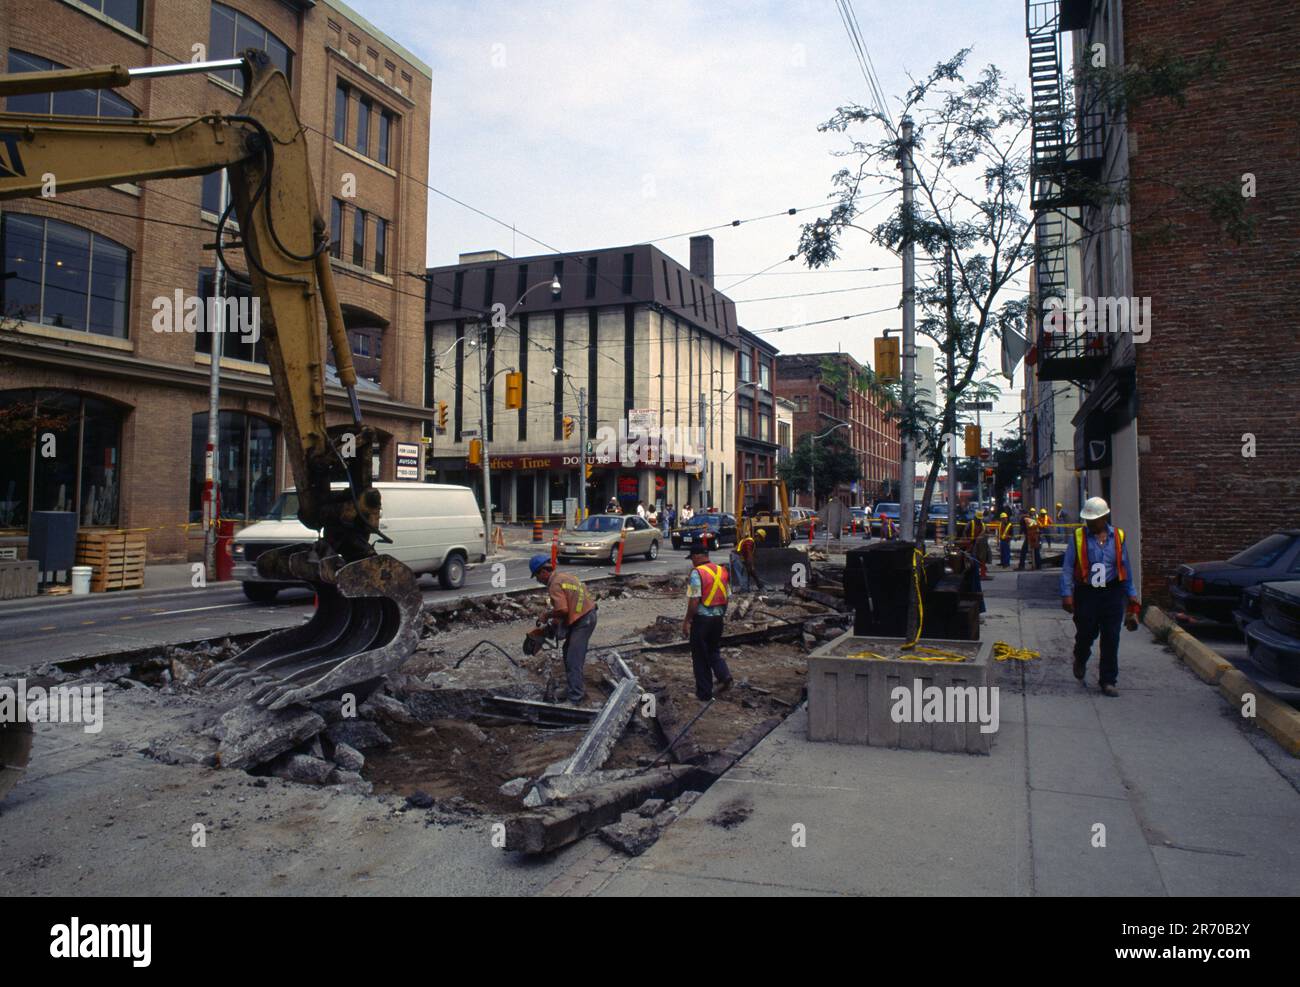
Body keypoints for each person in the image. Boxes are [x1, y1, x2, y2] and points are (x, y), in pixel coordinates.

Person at [1060, 497, 1140, 697]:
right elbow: (1068, 567)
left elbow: (1125, 567)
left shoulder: (1118, 536)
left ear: (1104, 517)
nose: (1089, 523)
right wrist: (1066, 594)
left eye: (1093, 520)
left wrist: (1132, 595)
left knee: (1111, 637)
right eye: (1087, 519)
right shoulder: (1079, 536)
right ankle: (1081, 657)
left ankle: (1108, 680)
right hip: (1087, 593)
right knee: (1086, 633)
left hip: (1112, 592)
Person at [529, 554, 598, 705]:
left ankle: (575, 698)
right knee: (568, 652)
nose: (538, 580)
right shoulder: (564, 577)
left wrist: (547, 615)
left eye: (537, 576)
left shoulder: (554, 585)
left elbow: (562, 610)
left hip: (583, 621)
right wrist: (556, 624)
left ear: (543, 572)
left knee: (573, 659)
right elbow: (569, 606)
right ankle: (573, 687)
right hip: (586, 616)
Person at [683, 536, 733, 701]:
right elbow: (727, 596)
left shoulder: (697, 573)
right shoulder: (721, 570)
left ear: (697, 556)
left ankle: (704, 693)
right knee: (713, 650)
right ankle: (724, 676)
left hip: (702, 619)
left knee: (700, 657)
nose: (691, 562)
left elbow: (694, 600)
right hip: (718, 619)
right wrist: (721, 614)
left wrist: (687, 621)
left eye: (692, 558)